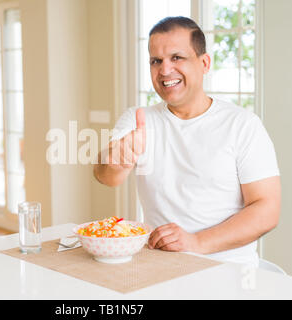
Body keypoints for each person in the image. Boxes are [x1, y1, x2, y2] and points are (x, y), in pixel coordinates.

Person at [93, 16, 281, 267]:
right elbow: (106, 177)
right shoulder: (138, 120)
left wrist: (197, 242)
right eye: (155, 61)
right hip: (159, 268)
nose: (164, 70)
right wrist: (116, 161)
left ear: (204, 63)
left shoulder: (243, 124)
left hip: (229, 272)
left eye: (176, 58)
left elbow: (267, 209)